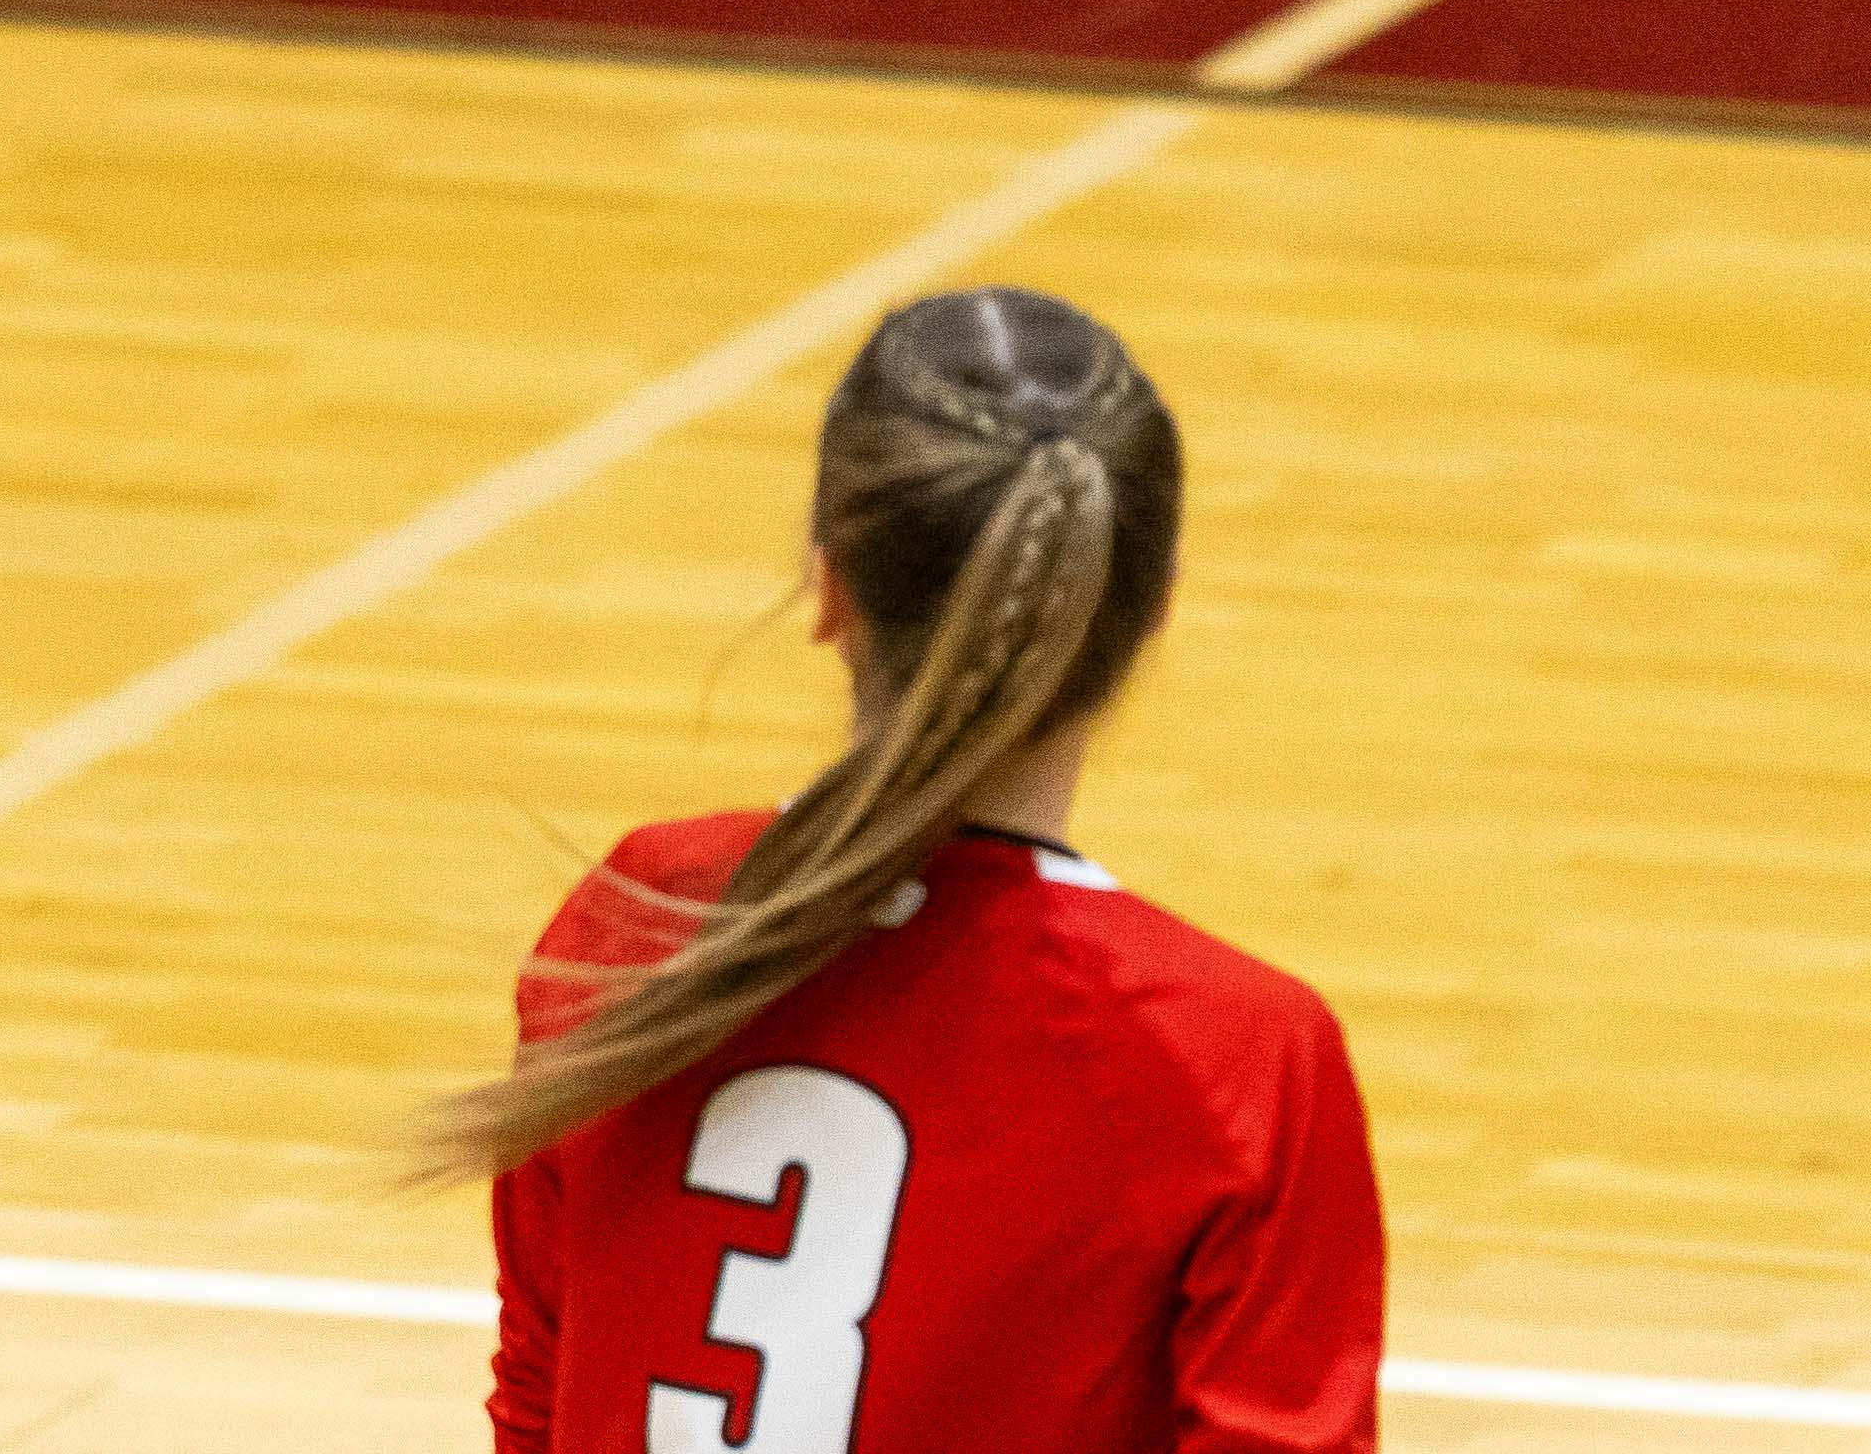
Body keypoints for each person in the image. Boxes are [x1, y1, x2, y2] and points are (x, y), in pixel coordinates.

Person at [444, 287, 1384, 1453]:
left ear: (828, 586)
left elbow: (544, 1392)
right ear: (1150, 610)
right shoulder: (1235, 1060)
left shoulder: (638, 915)